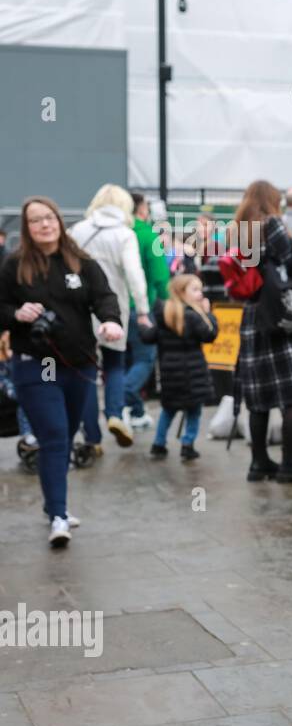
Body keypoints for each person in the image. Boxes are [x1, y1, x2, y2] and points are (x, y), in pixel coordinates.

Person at [0, 197, 123, 547]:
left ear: (59, 220)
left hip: (79, 362)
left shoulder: (80, 262)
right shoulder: (15, 267)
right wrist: (15, 314)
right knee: (54, 434)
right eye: (36, 220)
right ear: (27, 228)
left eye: (49, 217)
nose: (44, 224)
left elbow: (104, 297)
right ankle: (58, 515)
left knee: (66, 434)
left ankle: (53, 502)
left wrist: (111, 322)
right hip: (41, 363)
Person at [231, 179, 292, 483]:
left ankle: (259, 462)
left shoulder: (240, 229)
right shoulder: (271, 224)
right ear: (271, 200)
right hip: (282, 316)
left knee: (259, 396)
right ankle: (289, 463)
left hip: (253, 318)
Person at [69, 184, 150, 451]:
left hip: (79, 309)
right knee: (115, 365)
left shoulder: (77, 231)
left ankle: (92, 437)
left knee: (88, 371)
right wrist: (143, 310)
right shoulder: (125, 234)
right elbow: (135, 275)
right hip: (114, 308)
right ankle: (115, 415)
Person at [142, 273, 218, 461]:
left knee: (168, 410)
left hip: (170, 375)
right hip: (193, 374)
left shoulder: (164, 315)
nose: (200, 294)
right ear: (181, 292)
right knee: (194, 410)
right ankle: (187, 444)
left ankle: (159, 443)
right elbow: (210, 335)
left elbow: (148, 337)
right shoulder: (193, 316)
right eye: (195, 289)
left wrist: (143, 326)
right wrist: (208, 313)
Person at [124, 191, 170, 430]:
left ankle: (137, 412)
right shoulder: (146, 234)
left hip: (112, 310)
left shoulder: (117, 233)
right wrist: (168, 300)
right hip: (141, 308)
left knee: (122, 361)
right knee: (144, 359)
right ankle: (120, 398)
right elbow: (160, 276)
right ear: (142, 210)